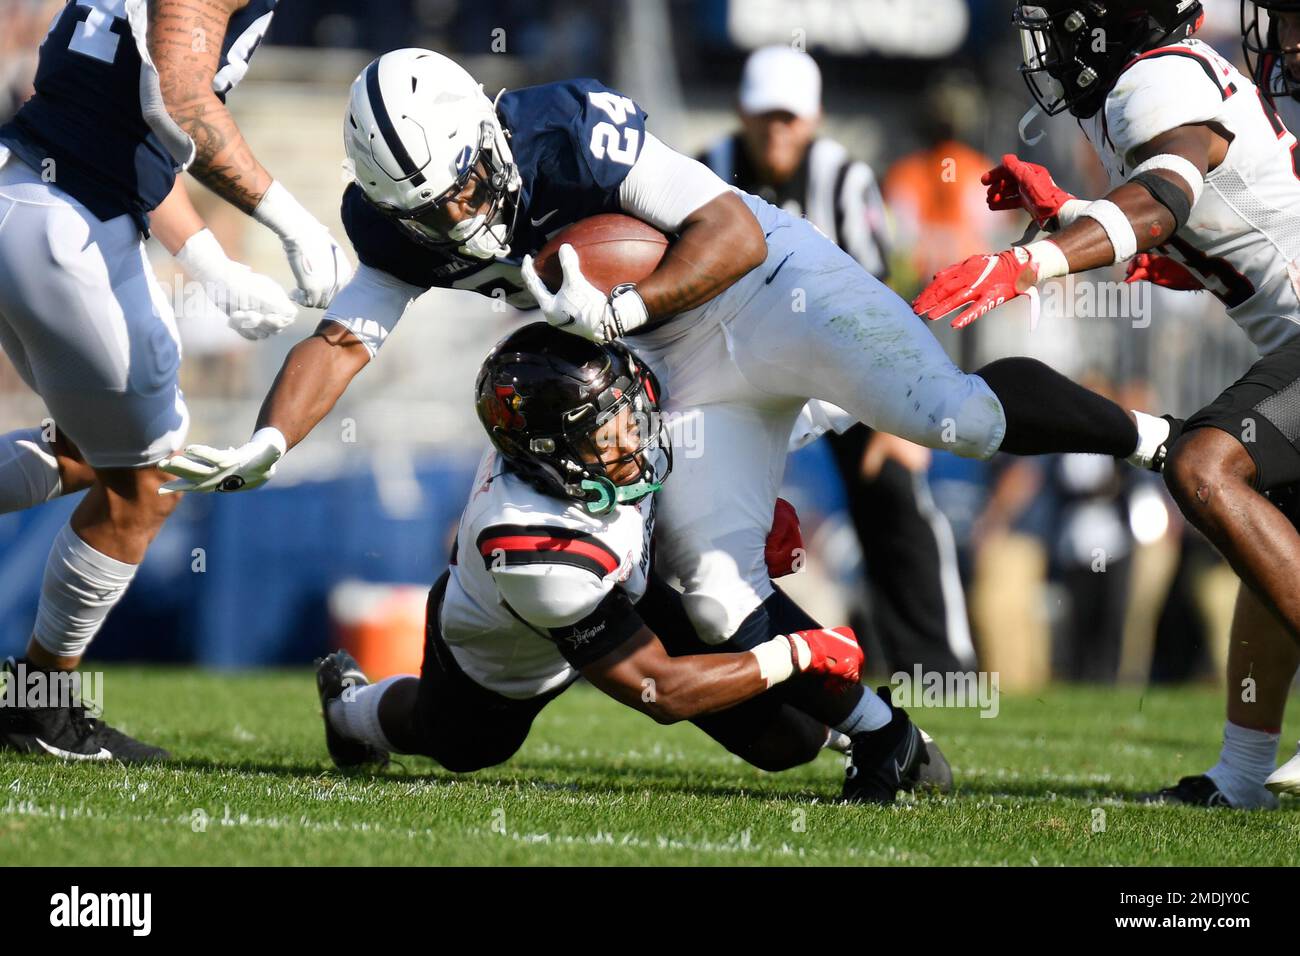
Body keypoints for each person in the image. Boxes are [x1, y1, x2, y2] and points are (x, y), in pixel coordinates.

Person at [162, 48, 1166, 791]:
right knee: (717, 596)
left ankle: (1159, 438)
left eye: (464, 184)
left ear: (484, 133)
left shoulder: (562, 129)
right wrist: (272, 439)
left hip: (764, 287)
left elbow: (725, 227)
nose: (459, 218)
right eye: (430, 207)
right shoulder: (403, 224)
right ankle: (887, 737)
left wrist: (625, 311)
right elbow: (344, 338)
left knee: (962, 417)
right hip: (655, 368)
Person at [913, 0, 1300, 806]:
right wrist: (1070, 217)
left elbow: (1162, 201)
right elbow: (1218, 233)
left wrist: (1029, 263)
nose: (1047, 36)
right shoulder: (1165, 80)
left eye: (1061, 15)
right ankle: (1238, 779)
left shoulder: (1156, 80)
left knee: (1206, 465)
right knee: (1266, 525)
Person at [317, 322, 954, 803]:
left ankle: (874, 735)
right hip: (509, 646)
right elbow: (661, 693)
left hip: (623, 584)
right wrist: (795, 654)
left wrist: (751, 507)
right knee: (460, 745)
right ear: (548, 453)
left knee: (785, 739)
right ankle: (350, 712)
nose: (632, 436)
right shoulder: (537, 542)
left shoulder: (601, 445)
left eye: (627, 411)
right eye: (605, 431)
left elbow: (762, 419)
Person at [0, 0, 351, 762]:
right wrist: (290, 220)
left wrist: (213, 265)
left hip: (29, 202)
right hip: (68, 231)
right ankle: (39, 706)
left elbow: (125, 134)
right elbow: (184, 105)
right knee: (146, 483)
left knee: (100, 453)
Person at [698, 45, 974, 673]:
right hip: (735, 370)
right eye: (766, 115)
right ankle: (687, 655)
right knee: (695, 500)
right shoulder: (706, 172)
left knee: (892, 490)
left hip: (836, 373)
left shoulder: (844, 180)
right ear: (743, 112)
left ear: (815, 118)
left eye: (789, 117)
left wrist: (899, 411)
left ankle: (938, 668)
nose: (777, 129)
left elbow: (879, 304)